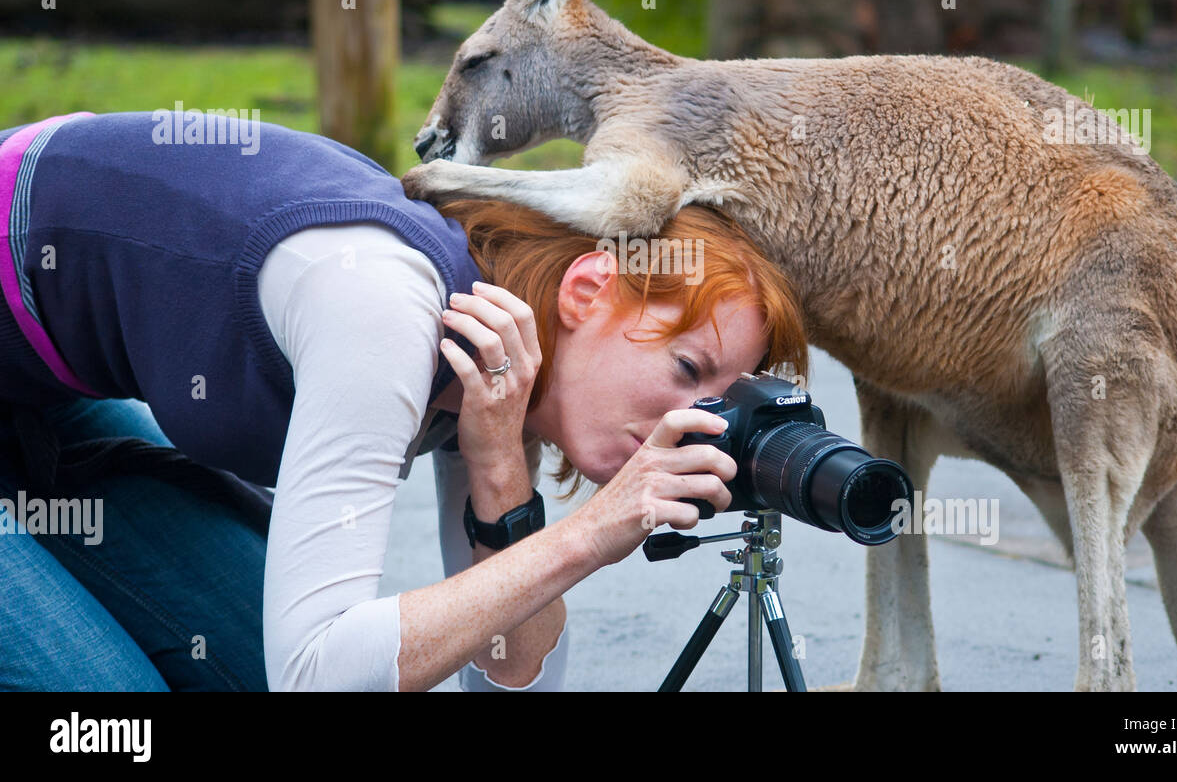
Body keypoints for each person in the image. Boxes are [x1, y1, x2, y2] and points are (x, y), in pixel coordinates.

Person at [0, 110, 808, 692]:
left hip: (40, 402)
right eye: (688, 367)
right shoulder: (385, 307)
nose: (696, 419)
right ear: (590, 290)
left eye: (719, 393)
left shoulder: (501, 363)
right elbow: (316, 672)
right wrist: (594, 533)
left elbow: (515, 682)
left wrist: (500, 473)